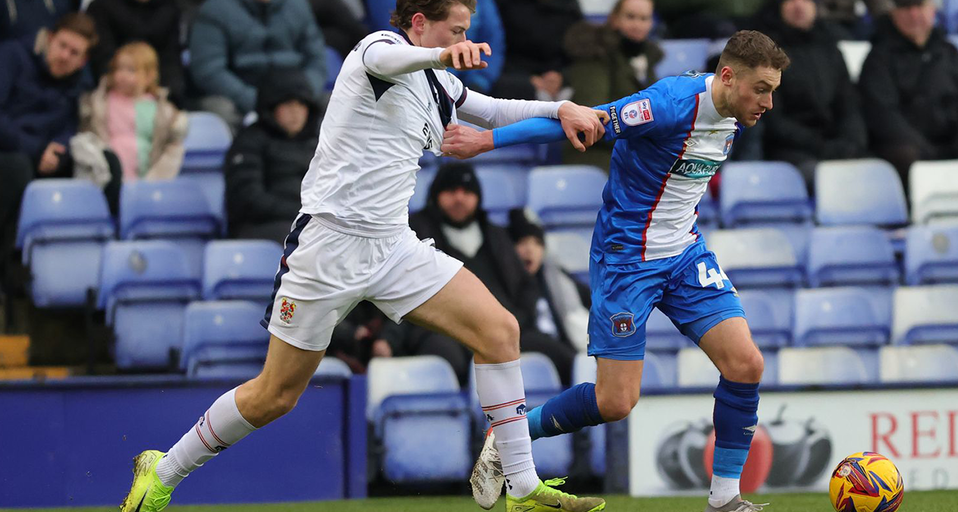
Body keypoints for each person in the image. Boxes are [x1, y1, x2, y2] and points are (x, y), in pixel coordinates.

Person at [117, 1, 609, 511]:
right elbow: (386, 62)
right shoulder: (379, 49)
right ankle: (163, 470)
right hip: (329, 245)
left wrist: (559, 110)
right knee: (275, 396)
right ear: (419, 22)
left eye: (466, 31)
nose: (465, 37)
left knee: (500, 331)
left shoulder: (440, 82)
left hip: (394, 245)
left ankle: (522, 487)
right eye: (456, 29)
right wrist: (444, 51)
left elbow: (493, 108)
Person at [443, 30, 789, 512]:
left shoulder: (734, 111)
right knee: (616, 402)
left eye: (773, 90)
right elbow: (585, 122)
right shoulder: (668, 103)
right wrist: (486, 140)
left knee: (746, 364)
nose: (769, 102)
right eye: (763, 89)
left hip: (686, 254)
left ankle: (725, 499)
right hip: (627, 258)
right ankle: (508, 438)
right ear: (727, 77)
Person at [387, 163, 580, 386]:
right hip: (442, 329)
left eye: (467, 192)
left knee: (564, 358)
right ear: (435, 195)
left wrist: (519, 319)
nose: (459, 198)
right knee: (445, 361)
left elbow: (525, 286)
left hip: (502, 329)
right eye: (450, 191)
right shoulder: (416, 232)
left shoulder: (495, 234)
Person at [859, 0, 958, 189]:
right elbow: (883, 114)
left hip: (953, 142)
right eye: (906, 8)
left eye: (919, 6)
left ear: (933, 10)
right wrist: (923, 148)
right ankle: (909, 213)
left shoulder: (948, 52)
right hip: (910, 146)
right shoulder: (878, 59)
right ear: (893, 13)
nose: (914, 14)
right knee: (905, 156)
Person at [0, 12, 96, 280]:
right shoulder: (12, 56)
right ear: (50, 39)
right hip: (9, 148)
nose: (65, 56)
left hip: (44, 154)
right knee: (17, 168)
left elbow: (72, 126)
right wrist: (36, 149)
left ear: (83, 60)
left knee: (99, 165)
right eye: (62, 46)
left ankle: (75, 272)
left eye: (74, 53)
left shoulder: (79, 83)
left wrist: (59, 149)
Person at [758, 0, 866, 189]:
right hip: (790, 152)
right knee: (829, 180)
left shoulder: (830, 48)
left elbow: (849, 104)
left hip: (834, 144)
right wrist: (819, 145)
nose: (799, 5)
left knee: (874, 173)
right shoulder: (766, 55)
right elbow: (774, 121)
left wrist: (851, 141)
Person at [73, 42, 187, 212]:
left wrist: (155, 180)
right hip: (107, 181)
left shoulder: (164, 112)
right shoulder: (97, 103)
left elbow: (172, 149)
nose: (122, 75)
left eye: (131, 70)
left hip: (148, 183)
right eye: (118, 69)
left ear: (149, 76)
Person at [187, 0, 326, 129]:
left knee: (337, 104)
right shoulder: (215, 9)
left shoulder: (297, 5)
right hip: (241, 97)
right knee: (221, 111)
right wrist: (259, 101)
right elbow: (209, 70)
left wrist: (302, 96)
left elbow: (317, 60)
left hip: (296, 93)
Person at [563, 0, 663, 169]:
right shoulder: (595, 54)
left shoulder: (649, 57)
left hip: (633, 151)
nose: (637, 25)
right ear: (615, 19)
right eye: (630, 17)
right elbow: (591, 115)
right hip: (594, 154)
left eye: (644, 18)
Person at [224, 70, 320, 242]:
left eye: (301, 104)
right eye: (288, 104)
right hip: (261, 227)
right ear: (272, 106)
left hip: (309, 222)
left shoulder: (317, 143)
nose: (295, 112)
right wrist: (300, 212)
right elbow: (247, 199)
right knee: (301, 240)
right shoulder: (249, 142)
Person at [508, 210, 591, 356]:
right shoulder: (508, 284)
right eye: (523, 242)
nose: (530, 250)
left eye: (537, 243)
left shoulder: (555, 277)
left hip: (566, 351)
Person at [85, 0, 185, 104]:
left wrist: (166, 93)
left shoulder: (169, 9)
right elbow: (103, 57)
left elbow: (170, 58)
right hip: (112, 91)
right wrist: (124, 81)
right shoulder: (102, 6)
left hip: (154, 89)